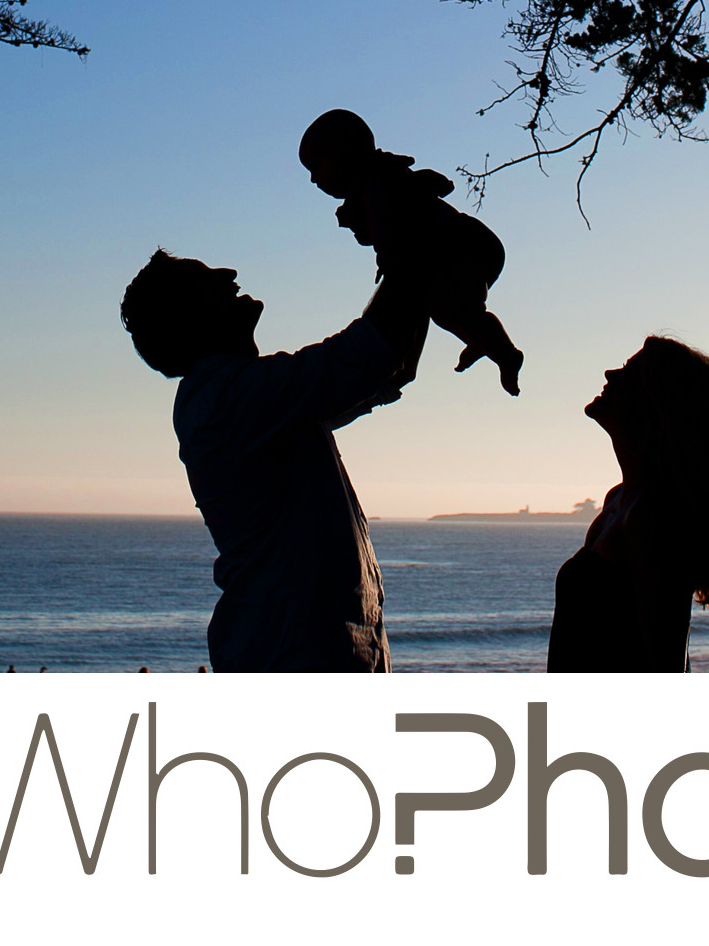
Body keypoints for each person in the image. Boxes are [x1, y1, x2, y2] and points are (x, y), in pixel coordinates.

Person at [120, 248, 430, 671]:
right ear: (189, 317)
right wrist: (411, 245)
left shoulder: (255, 402)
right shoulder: (225, 398)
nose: (227, 272)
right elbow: (369, 352)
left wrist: (411, 263)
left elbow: (391, 366)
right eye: (204, 277)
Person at [546, 337, 709, 671]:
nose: (609, 374)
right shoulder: (618, 501)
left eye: (629, 374)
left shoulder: (653, 517)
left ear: (655, 407)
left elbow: (666, 666)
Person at [298, 108, 524, 395]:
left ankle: (505, 353)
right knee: (430, 300)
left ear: (345, 154)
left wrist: (388, 261)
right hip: (453, 249)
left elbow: (390, 245)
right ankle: (477, 340)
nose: (313, 179)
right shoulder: (377, 185)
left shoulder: (378, 186)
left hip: (462, 245)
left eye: (316, 166)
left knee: (445, 305)